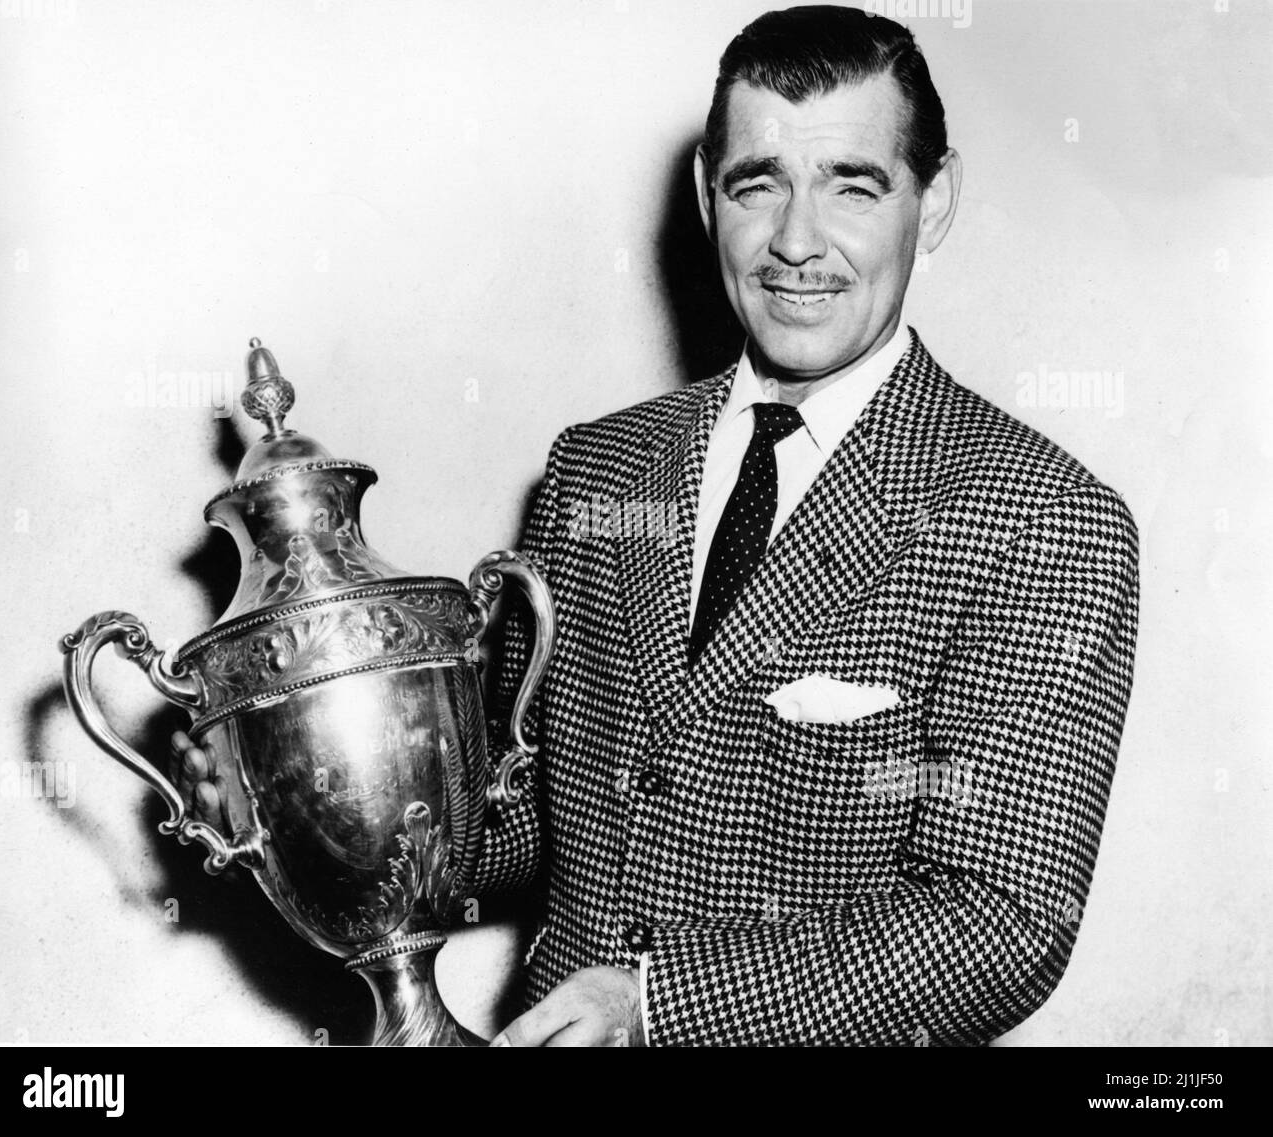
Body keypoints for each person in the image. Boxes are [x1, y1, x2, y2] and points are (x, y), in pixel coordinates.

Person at [174, 5, 1139, 1047]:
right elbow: (529, 808)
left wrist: (656, 1005)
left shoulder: (1038, 517)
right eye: (756, 182)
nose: (795, 241)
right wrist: (298, 792)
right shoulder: (596, 470)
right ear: (705, 195)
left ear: (932, 198)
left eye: (851, 184)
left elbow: (999, 924)